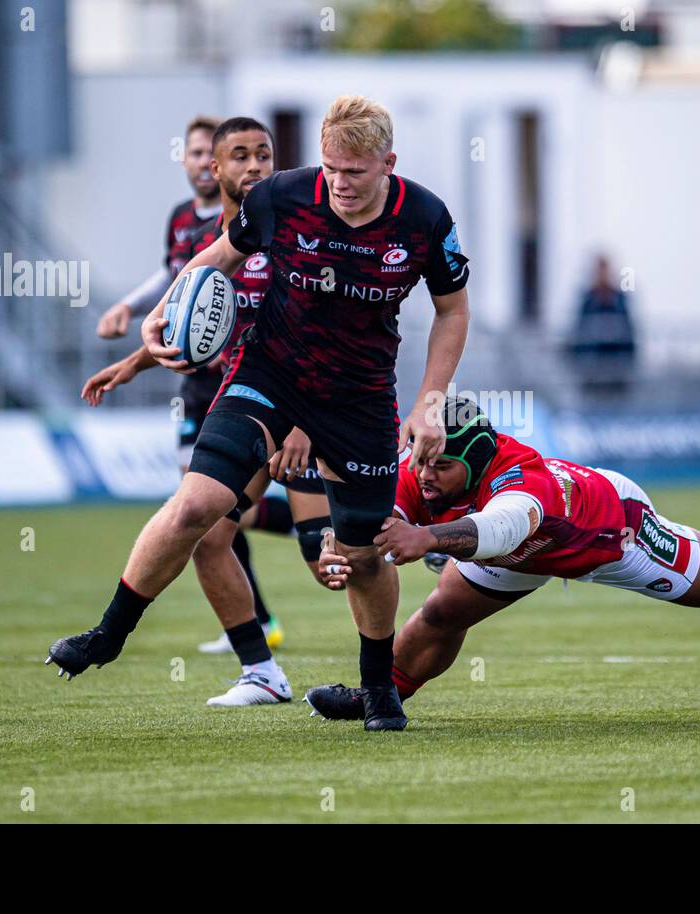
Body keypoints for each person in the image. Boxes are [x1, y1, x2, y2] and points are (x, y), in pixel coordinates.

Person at [48, 96, 471, 732]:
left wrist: (430, 402)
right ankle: (108, 634)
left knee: (361, 556)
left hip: (358, 398)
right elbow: (215, 258)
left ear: (389, 163)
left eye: (355, 172)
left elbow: (452, 311)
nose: (340, 184)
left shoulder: (426, 219)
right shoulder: (282, 196)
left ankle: (379, 690)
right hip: (268, 374)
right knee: (196, 507)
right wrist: (164, 309)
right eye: (330, 168)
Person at [303, 400, 700, 719]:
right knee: (442, 612)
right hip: (519, 548)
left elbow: (507, 524)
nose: (427, 474)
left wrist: (429, 541)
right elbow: (370, 521)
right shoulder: (426, 465)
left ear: (475, 453)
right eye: (423, 460)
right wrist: (339, 549)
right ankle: (379, 695)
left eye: (441, 464)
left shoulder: (522, 479)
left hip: (607, 530)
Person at [78, 118, 333, 705]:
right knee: (207, 533)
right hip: (242, 409)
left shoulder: (297, 236)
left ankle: (410, 556)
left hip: (311, 411)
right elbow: (193, 317)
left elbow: (323, 338)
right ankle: (262, 672)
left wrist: (301, 426)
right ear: (212, 169)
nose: (254, 167)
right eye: (239, 156)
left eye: (263, 155)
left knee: (331, 561)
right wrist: (134, 364)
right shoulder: (208, 248)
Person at [94, 116, 223, 340]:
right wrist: (127, 306)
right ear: (184, 160)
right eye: (196, 153)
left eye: (212, 153)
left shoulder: (241, 219)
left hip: (232, 360)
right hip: (187, 357)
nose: (204, 162)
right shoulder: (180, 216)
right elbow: (173, 276)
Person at [568, 253, 636, 394]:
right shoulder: (587, 301)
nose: (602, 275)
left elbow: (630, 331)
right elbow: (578, 332)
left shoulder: (620, 300)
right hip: (591, 373)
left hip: (618, 372)